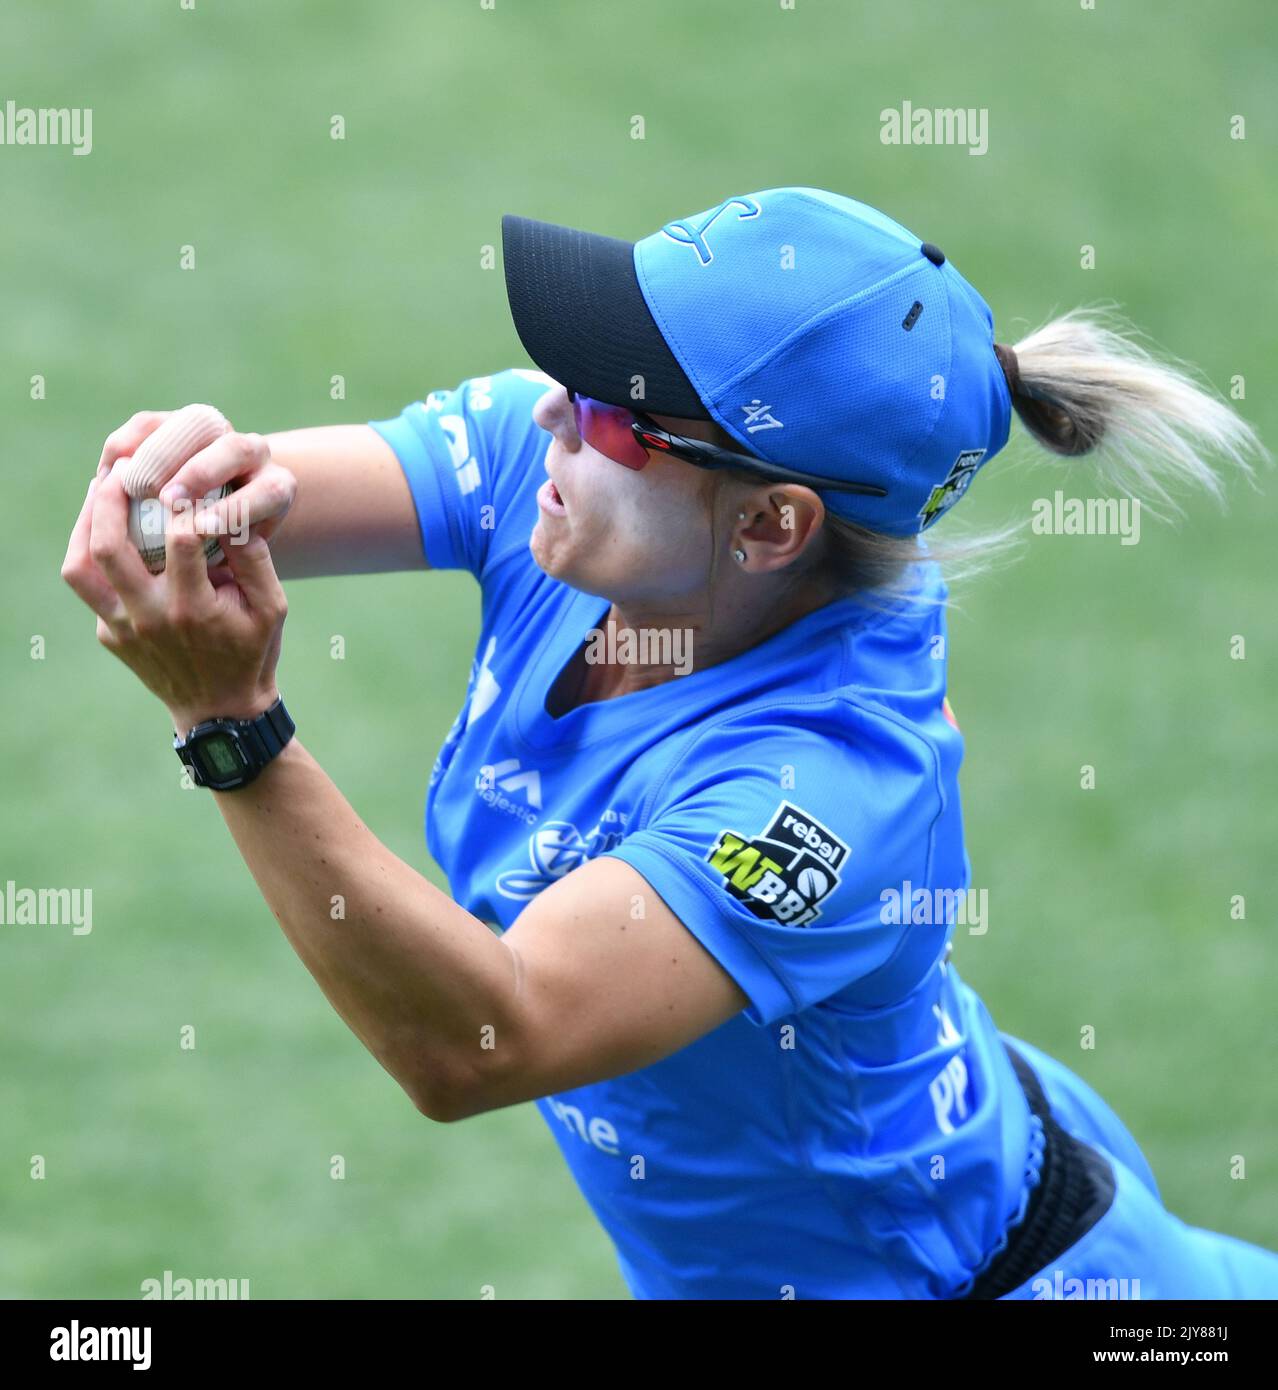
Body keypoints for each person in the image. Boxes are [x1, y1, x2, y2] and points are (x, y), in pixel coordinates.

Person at [63, 186, 1278, 1299]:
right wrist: (181, 496)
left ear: (769, 525)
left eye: (613, 408)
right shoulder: (569, 485)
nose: (551, 409)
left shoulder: (827, 789)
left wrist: (235, 730)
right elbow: (250, 500)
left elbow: (481, 1042)